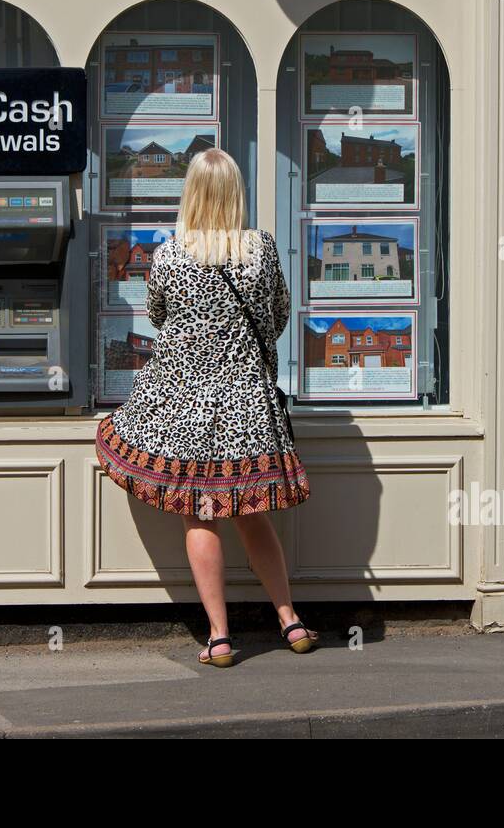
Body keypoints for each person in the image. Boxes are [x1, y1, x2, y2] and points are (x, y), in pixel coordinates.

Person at [95, 147, 316, 668]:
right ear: (235, 194)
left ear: (190, 194)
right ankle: (290, 620)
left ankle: (219, 637)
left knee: (201, 513)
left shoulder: (171, 255)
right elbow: (279, 316)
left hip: (184, 408)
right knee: (253, 516)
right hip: (247, 407)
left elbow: (156, 316)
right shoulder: (260, 250)